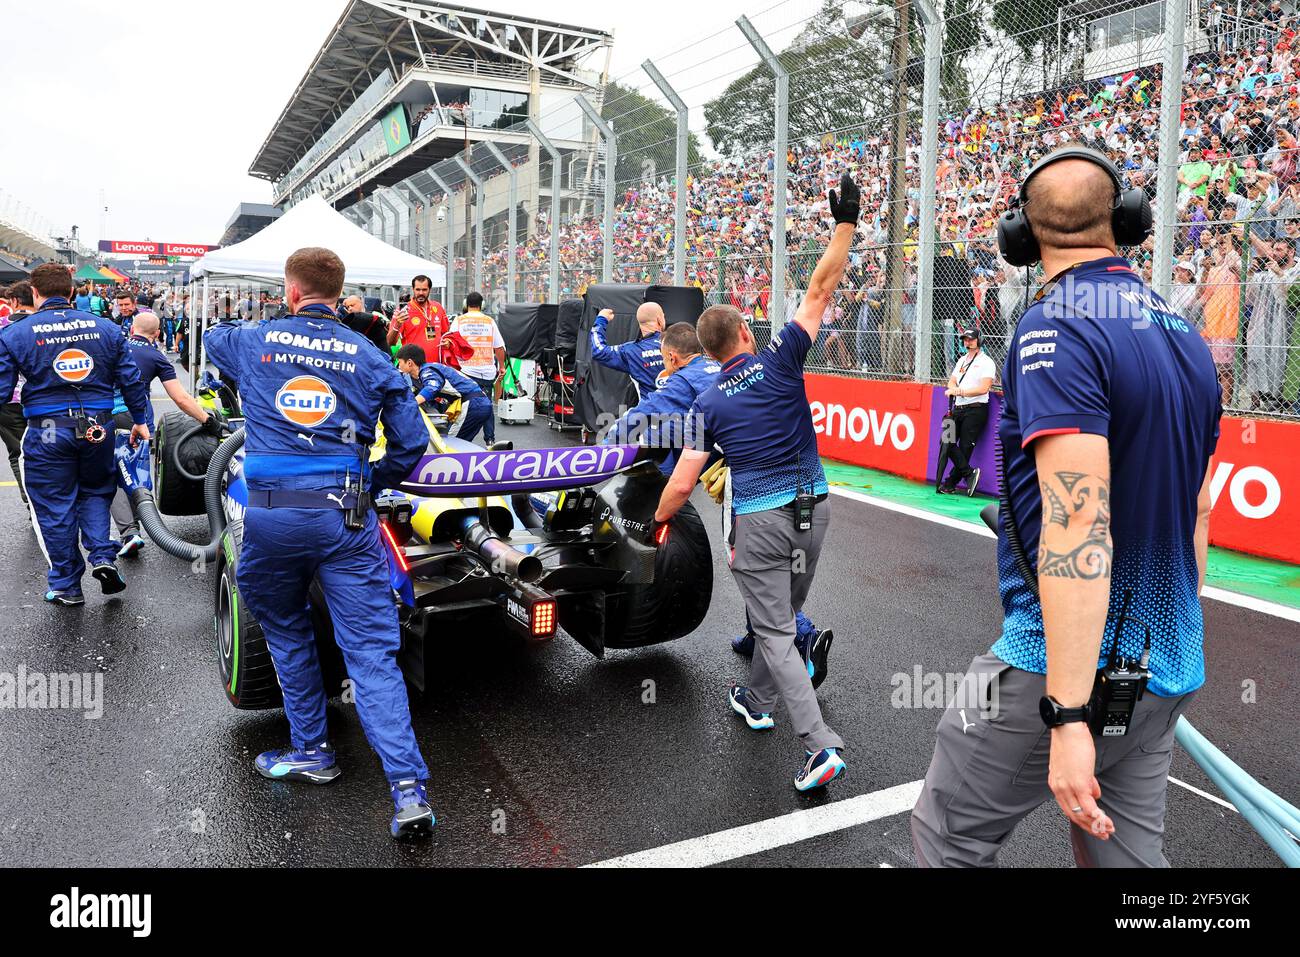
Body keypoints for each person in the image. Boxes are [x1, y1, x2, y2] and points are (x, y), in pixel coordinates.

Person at [911, 146, 1222, 867]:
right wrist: (1157, 645)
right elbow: (1198, 507)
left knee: (946, 837)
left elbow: (1078, 523)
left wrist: (1071, 712)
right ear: (1127, 219)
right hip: (1164, 666)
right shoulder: (1187, 337)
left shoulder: (1056, 326)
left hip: (1054, 670)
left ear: (1021, 235)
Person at [204, 247, 434, 840]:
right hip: (346, 516)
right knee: (372, 657)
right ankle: (409, 794)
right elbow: (409, 448)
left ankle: (312, 750)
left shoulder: (253, 341)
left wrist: (272, 321)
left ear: (290, 290)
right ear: (341, 291)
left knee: (285, 629)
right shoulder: (374, 356)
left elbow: (214, 338)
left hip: (275, 515)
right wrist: (367, 484)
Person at [653, 172, 861, 793]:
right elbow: (822, 284)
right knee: (784, 615)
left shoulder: (707, 406)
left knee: (772, 629)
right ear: (745, 332)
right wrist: (845, 221)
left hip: (760, 521)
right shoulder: (781, 357)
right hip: (813, 508)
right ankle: (755, 699)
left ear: (707, 352)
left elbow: (683, 483)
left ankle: (819, 745)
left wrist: (656, 525)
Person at [0, 263, 150, 606]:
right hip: (99, 428)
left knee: (54, 506)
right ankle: (102, 555)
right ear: (71, 292)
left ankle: (67, 585)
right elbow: (131, 379)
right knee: (96, 492)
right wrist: (140, 419)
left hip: (48, 432)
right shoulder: (107, 328)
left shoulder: (14, 333)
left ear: (35, 294)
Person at [110, 312, 222, 558]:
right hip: (137, 420)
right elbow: (181, 398)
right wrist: (208, 421)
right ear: (158, 333)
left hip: (105, 417)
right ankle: (133, 531)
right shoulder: (156, 356)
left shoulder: (113, 346)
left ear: (131, 330)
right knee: (136, 473)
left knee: (114, 473)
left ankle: (130, 532)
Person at [394, 343, 493, 443]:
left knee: (449, 444)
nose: (399, 365)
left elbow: (431, 388)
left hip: (473, 403)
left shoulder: (427, 371)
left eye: (400, 362)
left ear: (409, 363)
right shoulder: (430, 368)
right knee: (461, 443)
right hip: (479, 403)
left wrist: (409, 404)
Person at [937, 328, 996, 495]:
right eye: (965, 339)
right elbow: (951, 382)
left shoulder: (987, 362)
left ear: (979, 340)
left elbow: (984, 388)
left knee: (965, 447)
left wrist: (960, 391)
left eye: (971, 339)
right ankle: (969, 473)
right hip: (958, 408)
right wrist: (954, 389)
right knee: (945, 441)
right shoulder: (961, 360)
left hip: (975, 409)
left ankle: (950, 483)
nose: (967, 342)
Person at [448, 292, 505, 444]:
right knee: (487, 406)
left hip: (466, 371)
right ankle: (490, 440)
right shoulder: (490, 321)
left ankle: (461, 440)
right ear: (482, 305)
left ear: (466, 304)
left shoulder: (459, 321)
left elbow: (450, 343)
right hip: (486, 372)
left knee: (463, 405)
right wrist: (502, 366)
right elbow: (499, 347)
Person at [0, 281, 33, 503]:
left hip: (9, 401)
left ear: (14, 302)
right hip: (43, 399)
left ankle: (31, 504)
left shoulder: (3, 325)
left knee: (17, 454)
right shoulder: (45, 324)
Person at [591, 302, 665, 397]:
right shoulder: (678, 343)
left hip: (649, 409)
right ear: (659, 320)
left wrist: (601, 319)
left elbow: (599, 351)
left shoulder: (630, 351)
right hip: (682, 409)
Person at [386, 275, 449, 352]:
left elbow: (446, 335)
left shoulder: (438, 307)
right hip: (413, 362)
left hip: (435, 363)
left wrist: (447, 341)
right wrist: (397, 325)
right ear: (413, 289)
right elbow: (389, 342)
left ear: (430, 290)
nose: (421, 293)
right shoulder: (402, 311)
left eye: (424, 290)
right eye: (418, 289)